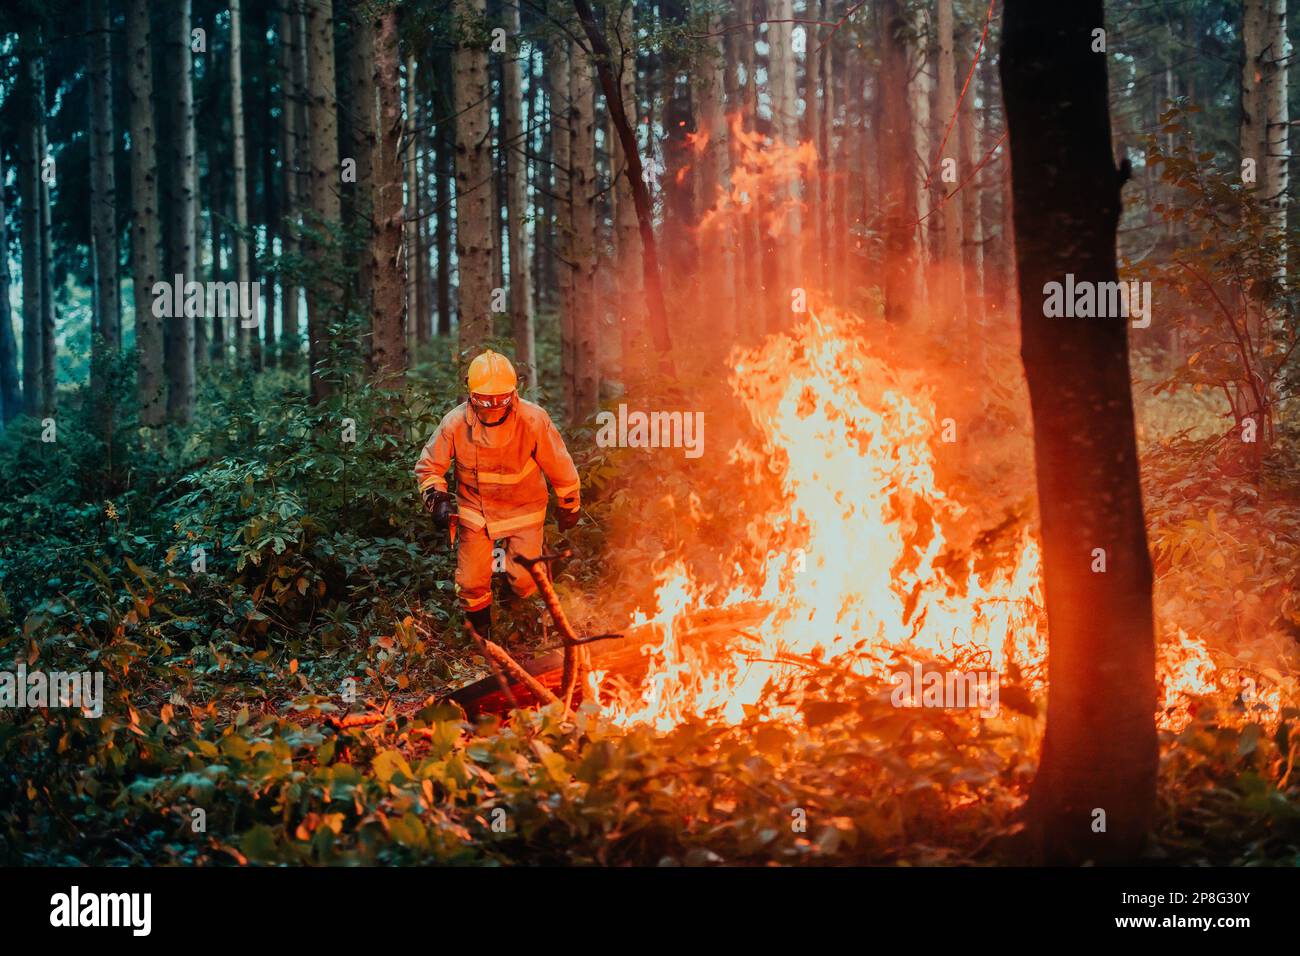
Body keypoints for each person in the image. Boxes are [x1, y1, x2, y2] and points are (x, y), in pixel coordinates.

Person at [414, 350, 581, 639]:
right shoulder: (455, 424)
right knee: (471, 580)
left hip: (524, 508)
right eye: (485, 400)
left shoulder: (533, 420)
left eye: (499, 399)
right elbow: (429, 466)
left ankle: (513, 587)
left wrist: (569, 504)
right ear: (471, 393)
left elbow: (559, 464)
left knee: (525, 581)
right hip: (475, 511)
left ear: (513, 392)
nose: (492, 406)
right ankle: (483, 638)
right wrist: (437, 499)